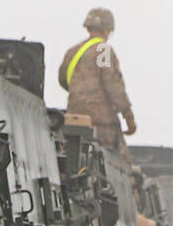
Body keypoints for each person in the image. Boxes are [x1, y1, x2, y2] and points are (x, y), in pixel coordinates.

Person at [58, 8, 136, 162]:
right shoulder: (103, 51)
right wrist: (128, 116)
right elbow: (113, 86)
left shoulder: (73, 52)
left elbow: (63, 80)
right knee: (122, 164)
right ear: (107, 31)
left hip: (73, 118)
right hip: (101, 123)